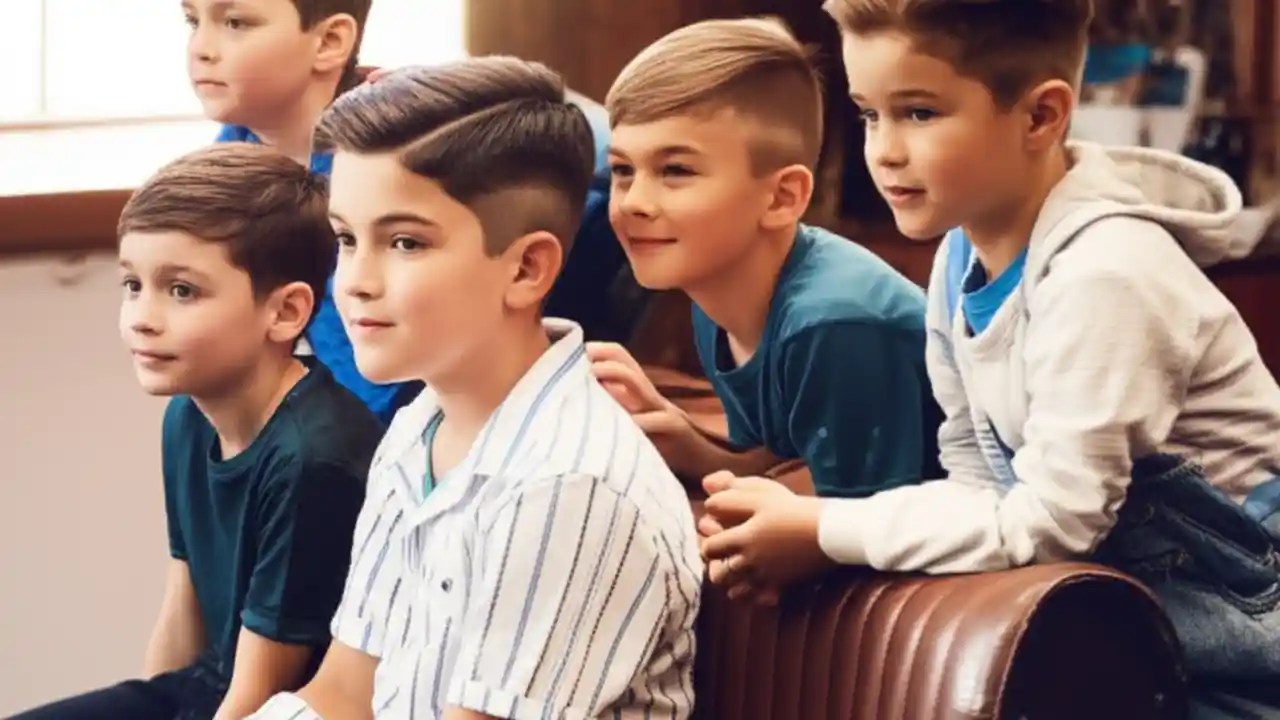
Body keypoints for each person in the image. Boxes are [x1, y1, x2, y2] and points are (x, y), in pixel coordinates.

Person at [703, 0, 1280, 713]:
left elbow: (1050, 524)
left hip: (1248, 637)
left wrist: (827, 531)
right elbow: (977, 477)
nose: (881, 151)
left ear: (1040, 116)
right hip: (1137, 624)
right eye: (868, 113)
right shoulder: (959, 257)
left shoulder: (1105, 274)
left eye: (918, 113)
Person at [248, 57, 702, 720]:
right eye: (345, 239)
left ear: (526, 268)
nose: (355, 281)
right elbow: (343, 694)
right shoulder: (419, 427)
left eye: (404, 242)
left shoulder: (567, 485)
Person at [13, 144, 383, 719]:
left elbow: (260, 692)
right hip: (207, 687)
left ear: (285, 312)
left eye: (181, 290)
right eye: (133, 285)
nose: (142, 316)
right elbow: (182, 608)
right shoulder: (188, 415)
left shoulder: (314, 460)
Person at [184, 0, 637, 422]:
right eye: (191, 20)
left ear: (329, 40)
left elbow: (597, 138)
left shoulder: (404, 152)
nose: (201, 49)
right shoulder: (229, 157)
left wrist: (447, 93)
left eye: (235, 22)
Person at [590, 17, 940, 501]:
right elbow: (780, 458)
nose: (632, 201)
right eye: (623, 170)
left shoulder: (834, 323)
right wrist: (685, 442)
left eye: (675, 170)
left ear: (781, 198)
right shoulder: (714, 301)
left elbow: (861, 515)